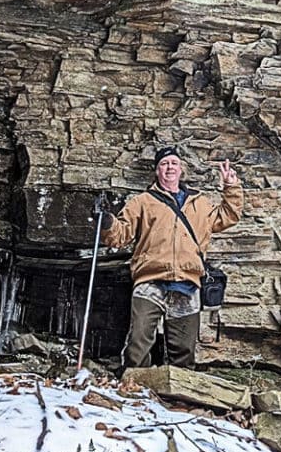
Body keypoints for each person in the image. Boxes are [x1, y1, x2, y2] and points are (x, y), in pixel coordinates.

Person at [98, 145, 243, 369]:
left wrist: (231, 186)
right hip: (150, 280)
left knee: (184, 350)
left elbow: (228, 216)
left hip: (187, 281)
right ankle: (136, 391)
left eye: (174, 163)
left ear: (181, 169)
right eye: (164, 164)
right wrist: (107, 221)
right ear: (157, 171)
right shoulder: (142, 201)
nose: (169, 167)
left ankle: (178, 399)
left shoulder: (200, 202)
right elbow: (120, 235)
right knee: (138, 343)